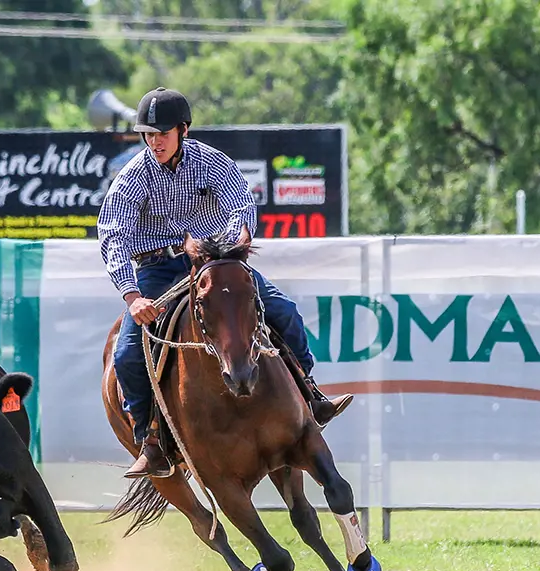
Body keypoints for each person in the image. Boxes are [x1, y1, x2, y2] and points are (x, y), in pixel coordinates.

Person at [97, 86, 353, 480]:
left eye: (162, 133)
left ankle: (310, 394)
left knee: (283, 310)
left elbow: (241, 203)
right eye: (148, 134)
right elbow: (114, 235)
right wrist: (132, 296)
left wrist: (235, 240)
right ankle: (150, 439)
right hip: (157, 271)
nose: (154, 141)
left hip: (214, 262)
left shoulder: (212, 163)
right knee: (128, 353)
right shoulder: (134, 177)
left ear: (184, 130)